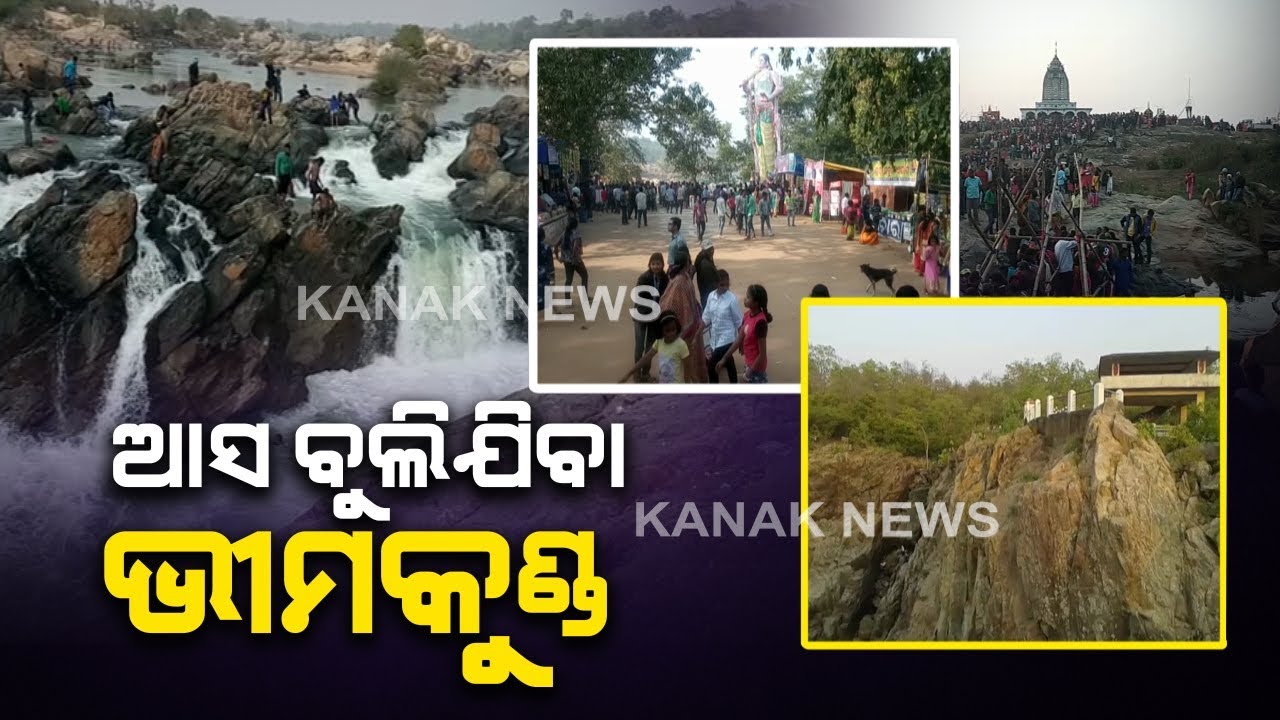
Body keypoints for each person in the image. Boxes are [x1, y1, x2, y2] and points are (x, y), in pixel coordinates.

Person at [620, 311, 691, 385]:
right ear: (661, 331)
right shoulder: (659, 342)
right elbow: (645, 358)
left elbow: (688, 369)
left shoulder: (681, 345)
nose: (671, 334)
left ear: (677, 328)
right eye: (667, 331)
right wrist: (629, 374)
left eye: (673, 329)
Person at [718, 284, 771, 383]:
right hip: (749, 365)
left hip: (757, 369)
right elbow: (739, 339)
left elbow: (762, 355)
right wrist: (724, 358)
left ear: (756, 303)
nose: (745, 299)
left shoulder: (760, 323)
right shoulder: (747, 315)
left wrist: (748, 374)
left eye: (748, 297)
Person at [632, 253, 669, 382]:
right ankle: (636, 374)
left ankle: (645, 373)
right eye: (653, 264)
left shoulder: (665, 279)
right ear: (649, 265)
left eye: (658, 264)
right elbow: (639, 298)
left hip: (656, 318)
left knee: (650, 348)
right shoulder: (643, 278)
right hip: (641, 316)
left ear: (663, 265)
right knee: (639, 347)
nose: (655, 266)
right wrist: (652, 310)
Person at [703, 269, 742, 384]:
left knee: (712, 366)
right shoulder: (711, 296)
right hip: (715, 337)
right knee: (729, 360)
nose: (725, 287)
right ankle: (734, 384)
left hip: (728, 338)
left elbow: (738, 322)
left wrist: (740, 343)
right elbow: (706, 316)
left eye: (727, 284)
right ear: (716, 284)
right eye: (722, 285)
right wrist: (698, 332)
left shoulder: (732, 299)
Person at [559, 216, 588, 304]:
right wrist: (575, 258)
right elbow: (576, 247)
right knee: (584, 275)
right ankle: (584, 297)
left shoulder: (564, 233)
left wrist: (559, 257)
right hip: (575, 260)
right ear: (576, 225)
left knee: (568, 279)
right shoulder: (576, 234)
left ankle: (567, 299)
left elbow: (556, 246)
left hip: (566, 260)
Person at [694, 239, 718, 308]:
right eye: (708, 250)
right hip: (707, 293)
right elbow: (710, 284)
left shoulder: (706, 257)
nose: (711, 251)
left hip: (704, 292)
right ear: (703, 251)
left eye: (711, 248)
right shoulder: (705, 265)